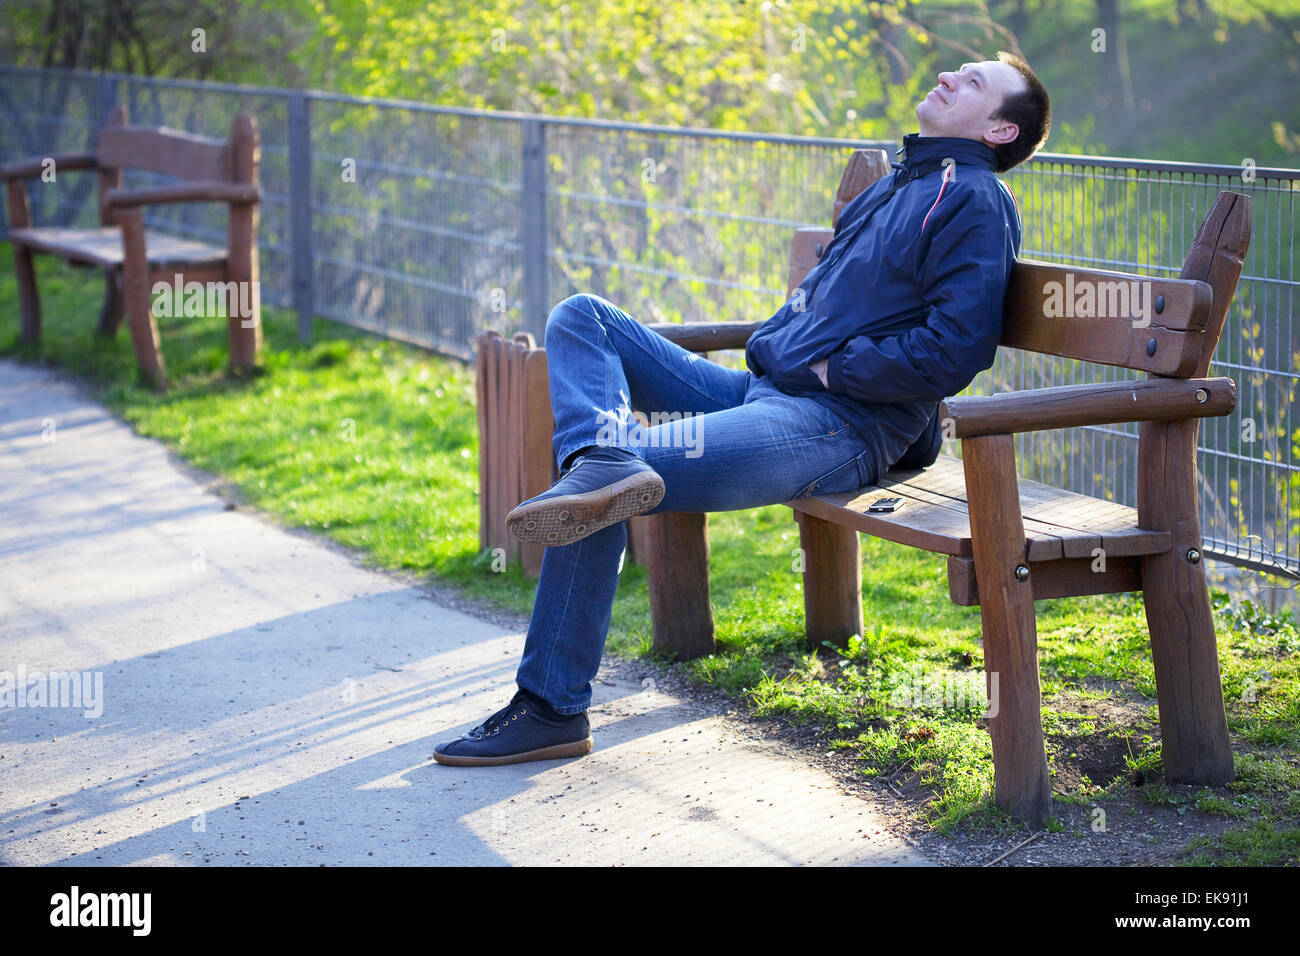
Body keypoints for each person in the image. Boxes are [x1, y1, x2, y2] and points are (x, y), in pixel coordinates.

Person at [431, 51, 1051, 766]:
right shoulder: (901, 183)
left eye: (973, 83)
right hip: (763, 391)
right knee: (582, 318)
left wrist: (832, 367)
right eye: (956, 70)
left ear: (1000, 131)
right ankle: (597, 457)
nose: (948, 77)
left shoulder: (974, 199)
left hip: (836, 424)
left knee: (606, 481)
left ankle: (550, 706)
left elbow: (957, 349)